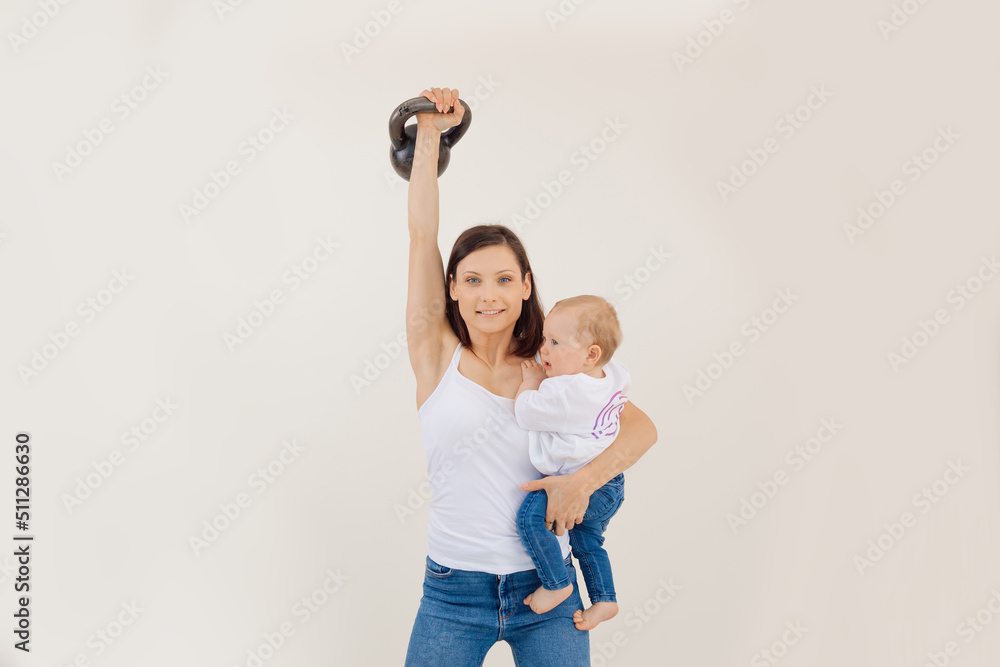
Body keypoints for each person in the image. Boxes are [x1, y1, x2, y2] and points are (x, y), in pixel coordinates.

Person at [403, 86, 657, 667]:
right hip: (451, 592)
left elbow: (641, 431)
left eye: (501, 279)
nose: (487, 294)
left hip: (546, 588)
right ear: (451, 289)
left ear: (525, 285)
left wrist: (583, 482)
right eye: (470, 280)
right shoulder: (433, 354)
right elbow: (422, 236)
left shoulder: (555, 368)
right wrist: (427, 137)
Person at [514, 295, 629, 631]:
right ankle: (605, 600)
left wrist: (532, 382)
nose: (543, 350)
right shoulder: (612, 374)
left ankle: (557, 583)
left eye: (554, 343)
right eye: (544, 339)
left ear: (591, 354)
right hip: (611, 484)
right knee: (588, 542)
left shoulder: (565, 393)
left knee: (530, 518)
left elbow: (525, 411)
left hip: (584, 485)